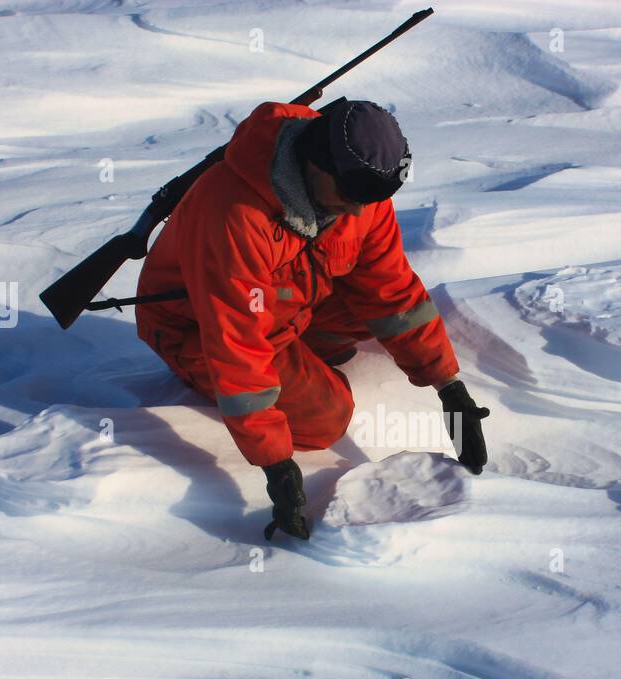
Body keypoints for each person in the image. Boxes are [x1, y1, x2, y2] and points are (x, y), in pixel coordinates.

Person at [135, 99, 489, 541]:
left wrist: (448, 385)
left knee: (372, 313)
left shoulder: (358, 188)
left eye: (373, 199)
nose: (359, 212)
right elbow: (235, 341)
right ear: (314, 165)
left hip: (289, 301)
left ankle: (298, 364)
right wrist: (276, 465)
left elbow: (392, 294)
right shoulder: (234, 213)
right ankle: (274, 378)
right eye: (350, 198)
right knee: (328, 419)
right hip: (198, 327)